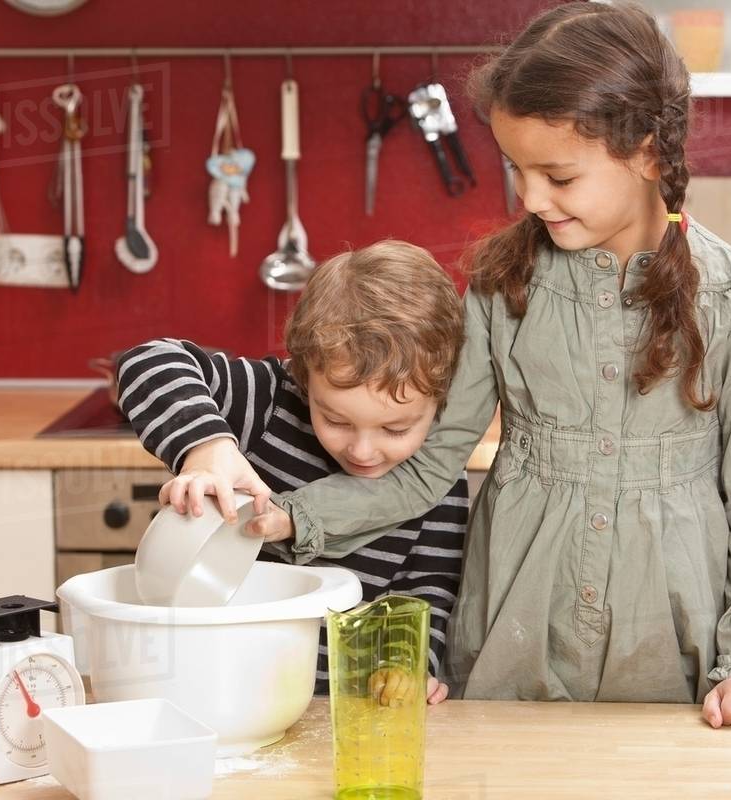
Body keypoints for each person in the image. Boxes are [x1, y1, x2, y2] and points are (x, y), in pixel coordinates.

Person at [268, 1, 731, 729]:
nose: (529, 198)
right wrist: (286, 516)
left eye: (558, 175)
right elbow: (430, 468)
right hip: (511, 629)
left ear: (648, 151)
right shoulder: (501, 285)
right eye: (516, 170)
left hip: (669, 638)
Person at [116, 240, 468, 704]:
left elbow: (427, 593)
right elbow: (146, 360)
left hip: (339, 706)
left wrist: (408, 667)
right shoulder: (267, 403)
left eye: (396, 428)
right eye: (336, 420)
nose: (363, 450)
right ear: (304, 377)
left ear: (441, 401)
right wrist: (206, 449)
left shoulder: (438, 475)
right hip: (213, 690)